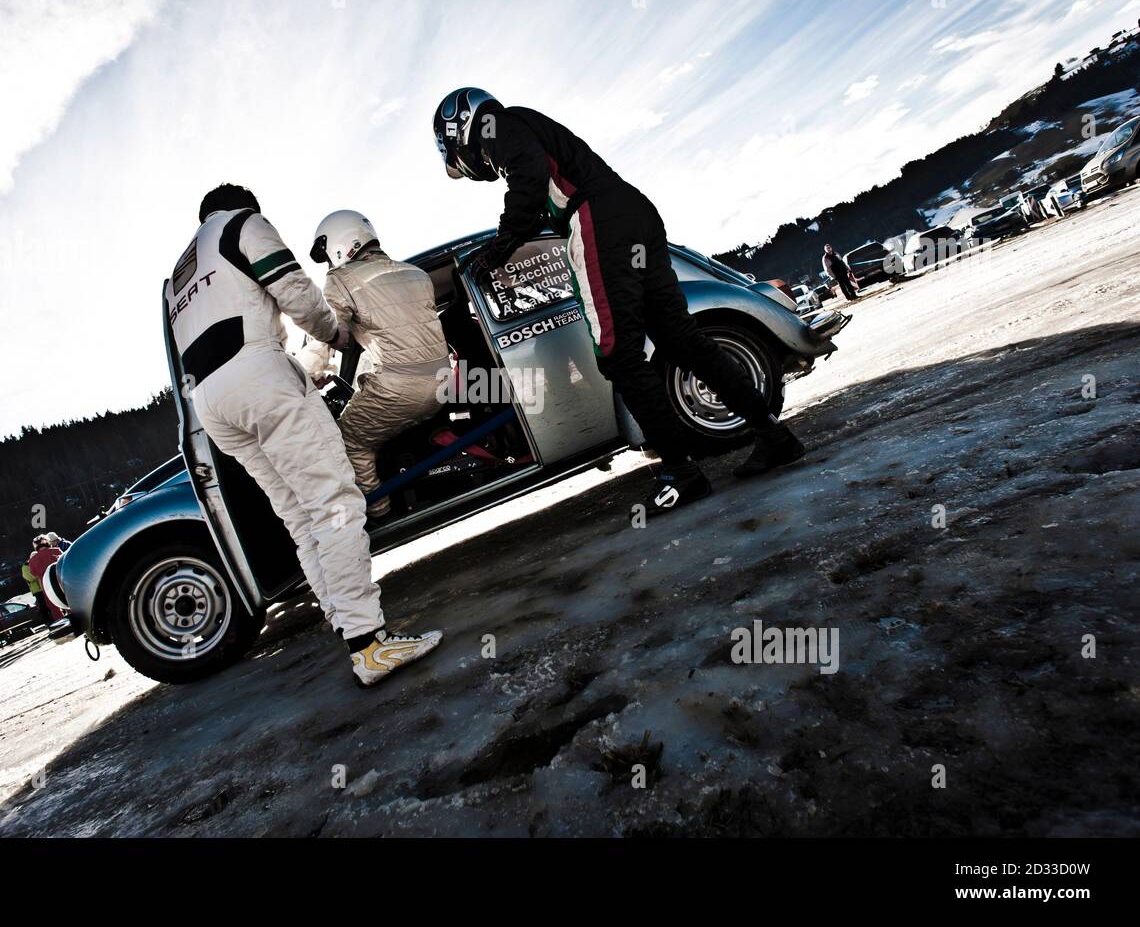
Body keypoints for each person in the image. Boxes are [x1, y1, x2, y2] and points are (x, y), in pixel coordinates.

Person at [433, 88, 805, 517]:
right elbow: (540, 184)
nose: (467, 165)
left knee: (618, 353)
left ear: (457, 127)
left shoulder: (496, 124)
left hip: (598, 219)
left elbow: (527, 176)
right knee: (680, 338)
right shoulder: (528, 128)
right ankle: (773, 435)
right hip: (632, 212)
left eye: (458, 156)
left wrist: (503, 243)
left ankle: (682, 473)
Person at [166, 183, 441, 686]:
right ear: (245, 206)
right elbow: (295, 291)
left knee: (300, 517)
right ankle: (369, 644)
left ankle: (343, 623)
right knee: (335, 502)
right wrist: (336, 335)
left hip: (210, 403)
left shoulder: (179, 276)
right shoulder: (242, 225)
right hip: (259, 376)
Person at [303, 210, 449, 520]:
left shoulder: (340, 281)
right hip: (442, 384)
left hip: (398, 390)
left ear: (340, 245)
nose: (329, 263)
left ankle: (381, 514)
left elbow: (325, 332)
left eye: (327, 255)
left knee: (348, 440)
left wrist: (307, 373)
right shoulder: (416, 274)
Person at [26, 536, 65, 624]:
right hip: (62, 580)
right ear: (47, 542)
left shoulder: (32, 560)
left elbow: (33, 574)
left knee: (54, 607)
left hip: (47, 585)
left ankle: (62, 623)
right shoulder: (56, 550)